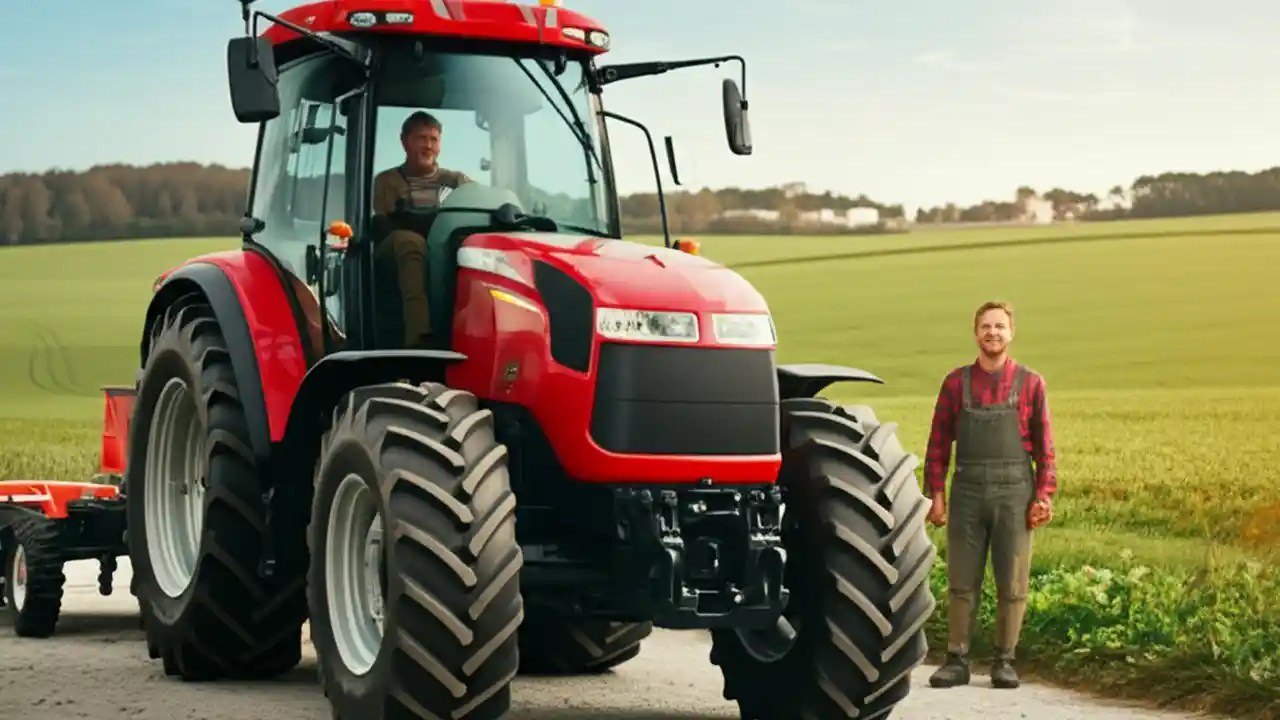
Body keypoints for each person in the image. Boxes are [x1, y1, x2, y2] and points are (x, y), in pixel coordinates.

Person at [924, 300, 1057, 690]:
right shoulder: (955, 383)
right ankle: (956, 659)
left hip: (1015, 491)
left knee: (1012, 582)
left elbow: (1046, 447)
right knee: (962, 580)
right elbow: (937, 443)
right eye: (986, 326)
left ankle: (1004, 661)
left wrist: (1043, 496)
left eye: (1000, 326)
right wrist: (936, 493)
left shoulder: (1031, 383)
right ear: (975, 333)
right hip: (966, 489)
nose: (993, 333)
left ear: (1011, 333)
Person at [372, 111, 472, 348]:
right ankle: (419, 340)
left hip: (442, 244)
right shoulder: (386, 181)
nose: (428, 146)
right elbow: (382, 225)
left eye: (434, 139)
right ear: (405, 141)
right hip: (394, 251)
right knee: (410, 243)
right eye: (421, 138)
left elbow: (475, 207)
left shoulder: (457, 181)